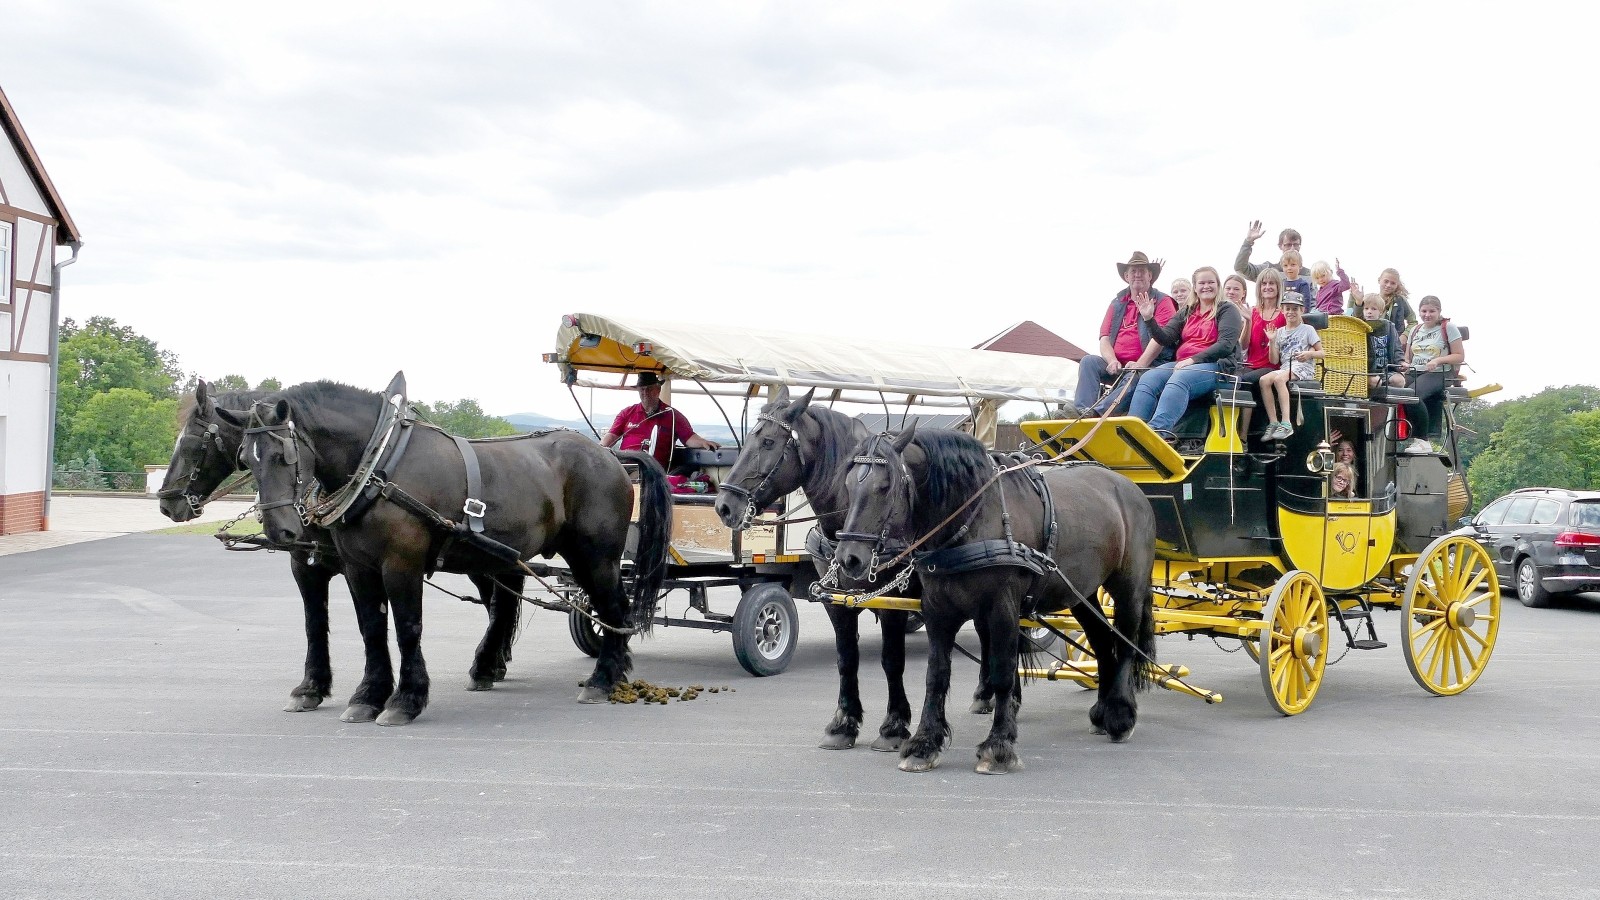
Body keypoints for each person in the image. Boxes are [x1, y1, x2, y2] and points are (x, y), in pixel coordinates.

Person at [1127, 266, 1242, 440]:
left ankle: (1157, 432)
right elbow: (1165, 338)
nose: (1206, 286)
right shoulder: (1187, 311)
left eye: (1211, 282)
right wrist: (1149, 319)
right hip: (1186, 364)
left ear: (1218, 285)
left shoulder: (1227, 309)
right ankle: (1132, 431)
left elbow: (1225, 345)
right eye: (1201, 283)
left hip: (1219, 368)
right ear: (1195, 287)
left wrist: (1193, 360)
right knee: (1149, 378)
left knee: (1180, 378)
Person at [1071, 251, 1177, 415]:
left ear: (1150, 275)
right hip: (1119, 366)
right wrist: (1112, 360)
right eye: (1133, 271)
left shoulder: (1164, 301)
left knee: (1136, 374)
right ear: (1126, 276)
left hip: (1149, 366)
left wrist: (1140, 364)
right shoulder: (1116, 303)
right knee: (1088, 362)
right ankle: (1080, 411)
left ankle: (1097, 414)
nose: (1137, 275)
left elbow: (1160, 339)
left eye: (1142, 270)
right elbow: (1104, 337)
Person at [600, 372, 721, 470]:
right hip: (625, 465)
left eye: (649, 389)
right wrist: (598, 449)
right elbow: (611, 436)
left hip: (652, 470)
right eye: (642, 389)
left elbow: (689, 438)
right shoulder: (627, 413)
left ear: (658, 390)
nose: (645, 393)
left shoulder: (672, 415)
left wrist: (703, 442)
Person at [1400, 295, 1465, 453]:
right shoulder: (1416, 330)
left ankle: (1423, 440)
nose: (1427, 315)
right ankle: (1403, 433)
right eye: (1424, 311)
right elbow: (1408, 356)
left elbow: (1459, 355)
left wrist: (1438, 360)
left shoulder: (1448, 328)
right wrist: (1404, 364)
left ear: (1439, 312)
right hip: (1416, 370)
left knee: (1413, 394)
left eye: (1431, 311)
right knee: (1394, 388)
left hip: (1439, 372)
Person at [1257, 292, 1324, 440]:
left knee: (1279, 379)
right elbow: (1274, 361)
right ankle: (1273, 422)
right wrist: (1273, 341)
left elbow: (1322, 353)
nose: (1291, 312)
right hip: (1286, 367)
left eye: (1295, 308)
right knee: (1264, 380)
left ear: (1302, 310)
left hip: (1304, 367)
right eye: (1287, 308)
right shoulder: (1279, 332)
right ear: (1282, 310)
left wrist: (1309, 354)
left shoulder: (1308, 330)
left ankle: (1286, 423)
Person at [1236, 269, 1288, 439]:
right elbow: (1243, 345)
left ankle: (1243, 436)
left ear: (1278, 287)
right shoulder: (1253, 311)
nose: (1267, 287)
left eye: (1271, 283)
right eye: (1264, 284)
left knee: (1243, 381)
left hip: (1272, 365)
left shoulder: (1284, 314)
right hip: (1251, 364)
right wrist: (1248, 322)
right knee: (1227, 378)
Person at [1360, 293, 1406, 391]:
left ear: (1381, 312)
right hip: (1368, 371)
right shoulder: (1360, 326)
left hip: (1386, 370)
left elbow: (1397, 348)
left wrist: (1401, 362)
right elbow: (1356, 314)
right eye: (1366, 308)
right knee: (1375, 381)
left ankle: (1388, 403)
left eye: (1373, 309)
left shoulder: (1389, 326)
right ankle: (1372, 401)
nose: (1369, 312)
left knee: (1399, 380)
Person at [1234, 220, 1303, 280]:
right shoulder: (1267, 270)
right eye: (1288, 245)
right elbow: (1240, 268)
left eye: (1296, 245)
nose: (1292, 249)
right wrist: (1248, 242)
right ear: (1280, 246)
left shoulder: (1309, 274)